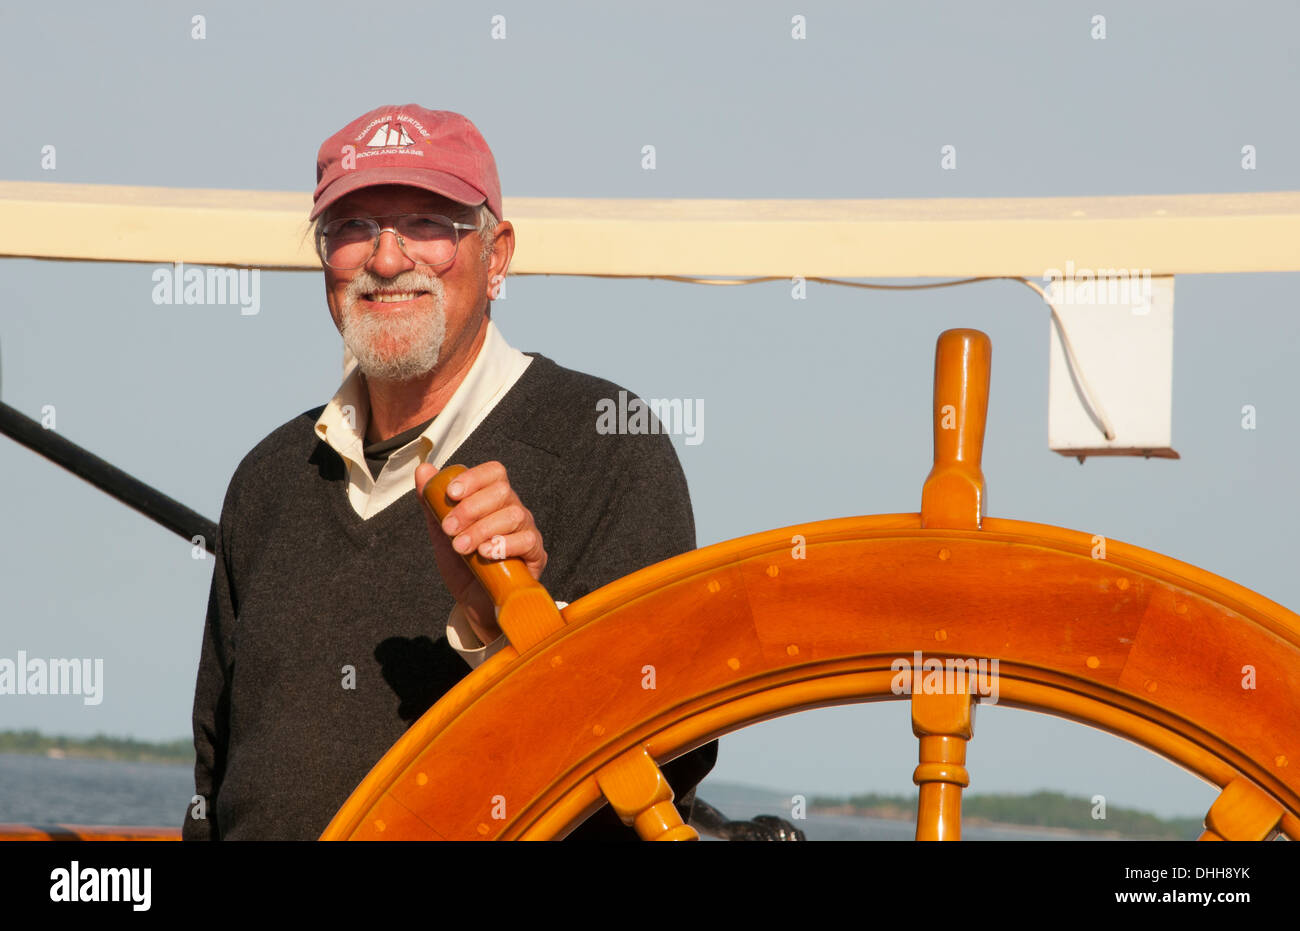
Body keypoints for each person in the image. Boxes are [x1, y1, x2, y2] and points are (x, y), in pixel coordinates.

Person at [184, 104, 715, 840]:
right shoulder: (270, 479)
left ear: (497, 255)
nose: (388, 257)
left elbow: (670, 749)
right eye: (352, 227)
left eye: (429, 223)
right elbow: (214, 769)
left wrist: (498, 627)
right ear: (324, 262)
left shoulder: (605, 445)